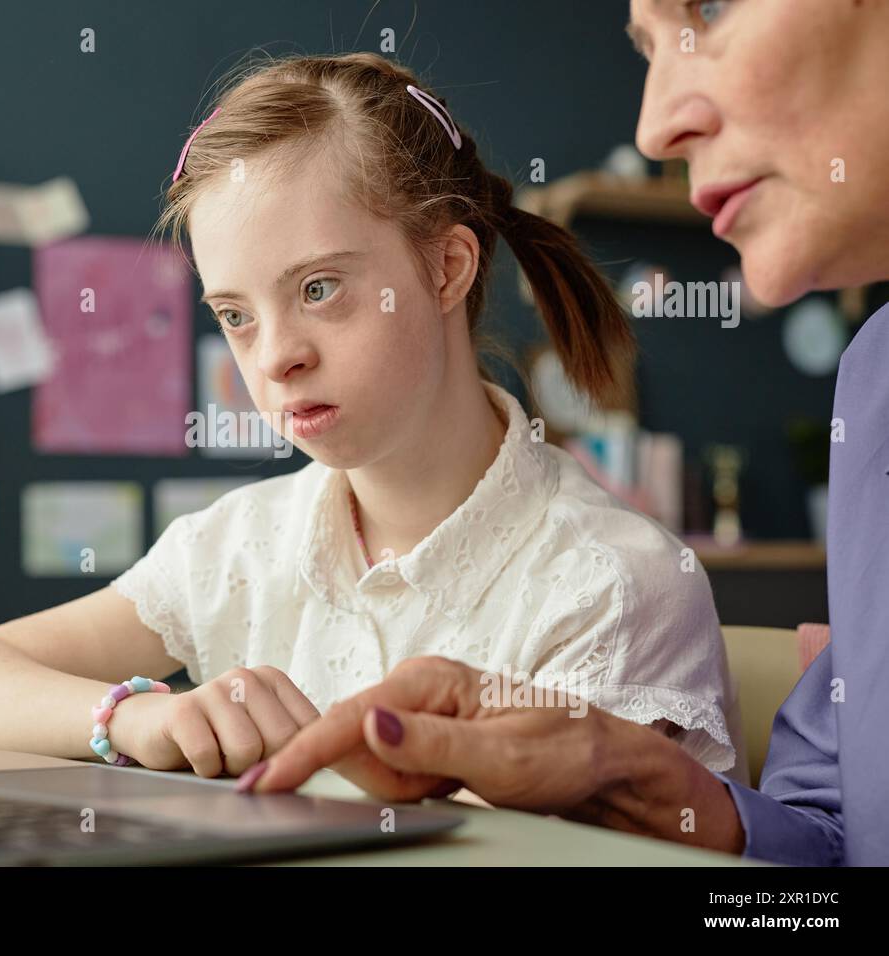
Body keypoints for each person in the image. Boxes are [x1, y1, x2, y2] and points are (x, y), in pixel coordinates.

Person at [0, 51, 745, 782]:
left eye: (319, 289)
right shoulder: (235, 546)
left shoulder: (614, 586)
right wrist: (133, 716)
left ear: (447, 269)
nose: (274, 357)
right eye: (235, 314)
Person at [244, 0, 889, 868]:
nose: (657, 125)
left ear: (449, 271)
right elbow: (830, 857)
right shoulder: (874, 378)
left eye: (709, 8)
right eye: (649, 47)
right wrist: (647, 788)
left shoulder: (617, 575)